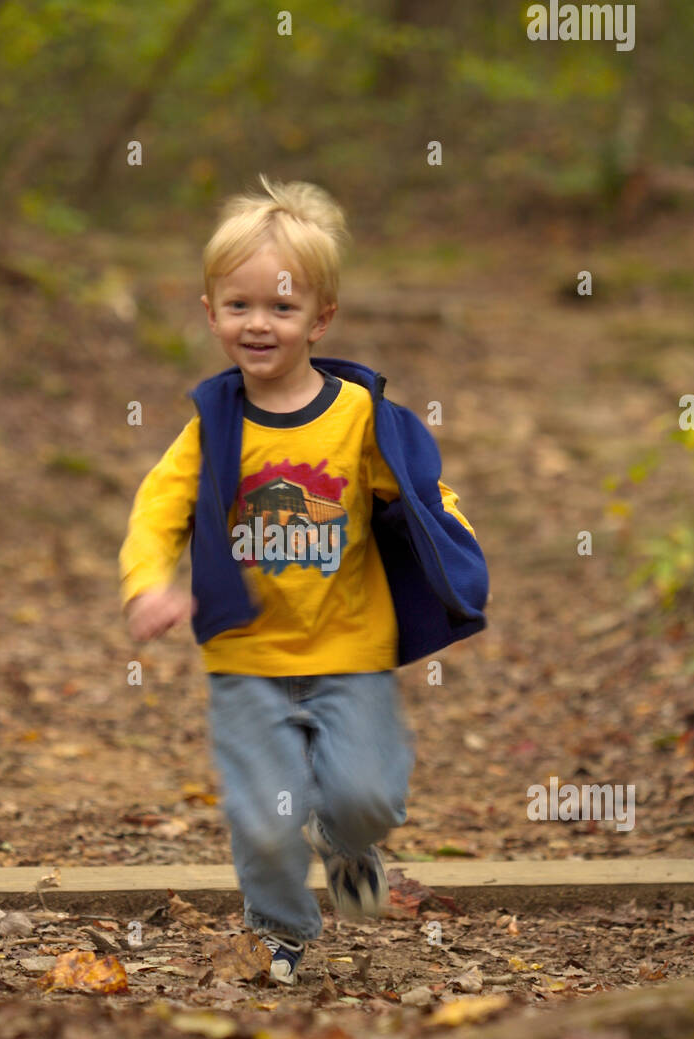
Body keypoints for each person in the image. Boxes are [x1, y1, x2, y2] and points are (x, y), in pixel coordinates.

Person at [120, 174, 489, 984]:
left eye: (282, 308)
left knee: (367, 796)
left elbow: (418, 491)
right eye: (240, 305)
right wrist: (150, 581)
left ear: (321, 318)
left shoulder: (358, 417)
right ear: (210, 311)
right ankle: (280, 930)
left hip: (351, 650)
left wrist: (450, 527)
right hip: (247, 661)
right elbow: (159, 509)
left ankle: (347, 842)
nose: (260, 323)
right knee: (260, 821)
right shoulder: (211, 425)